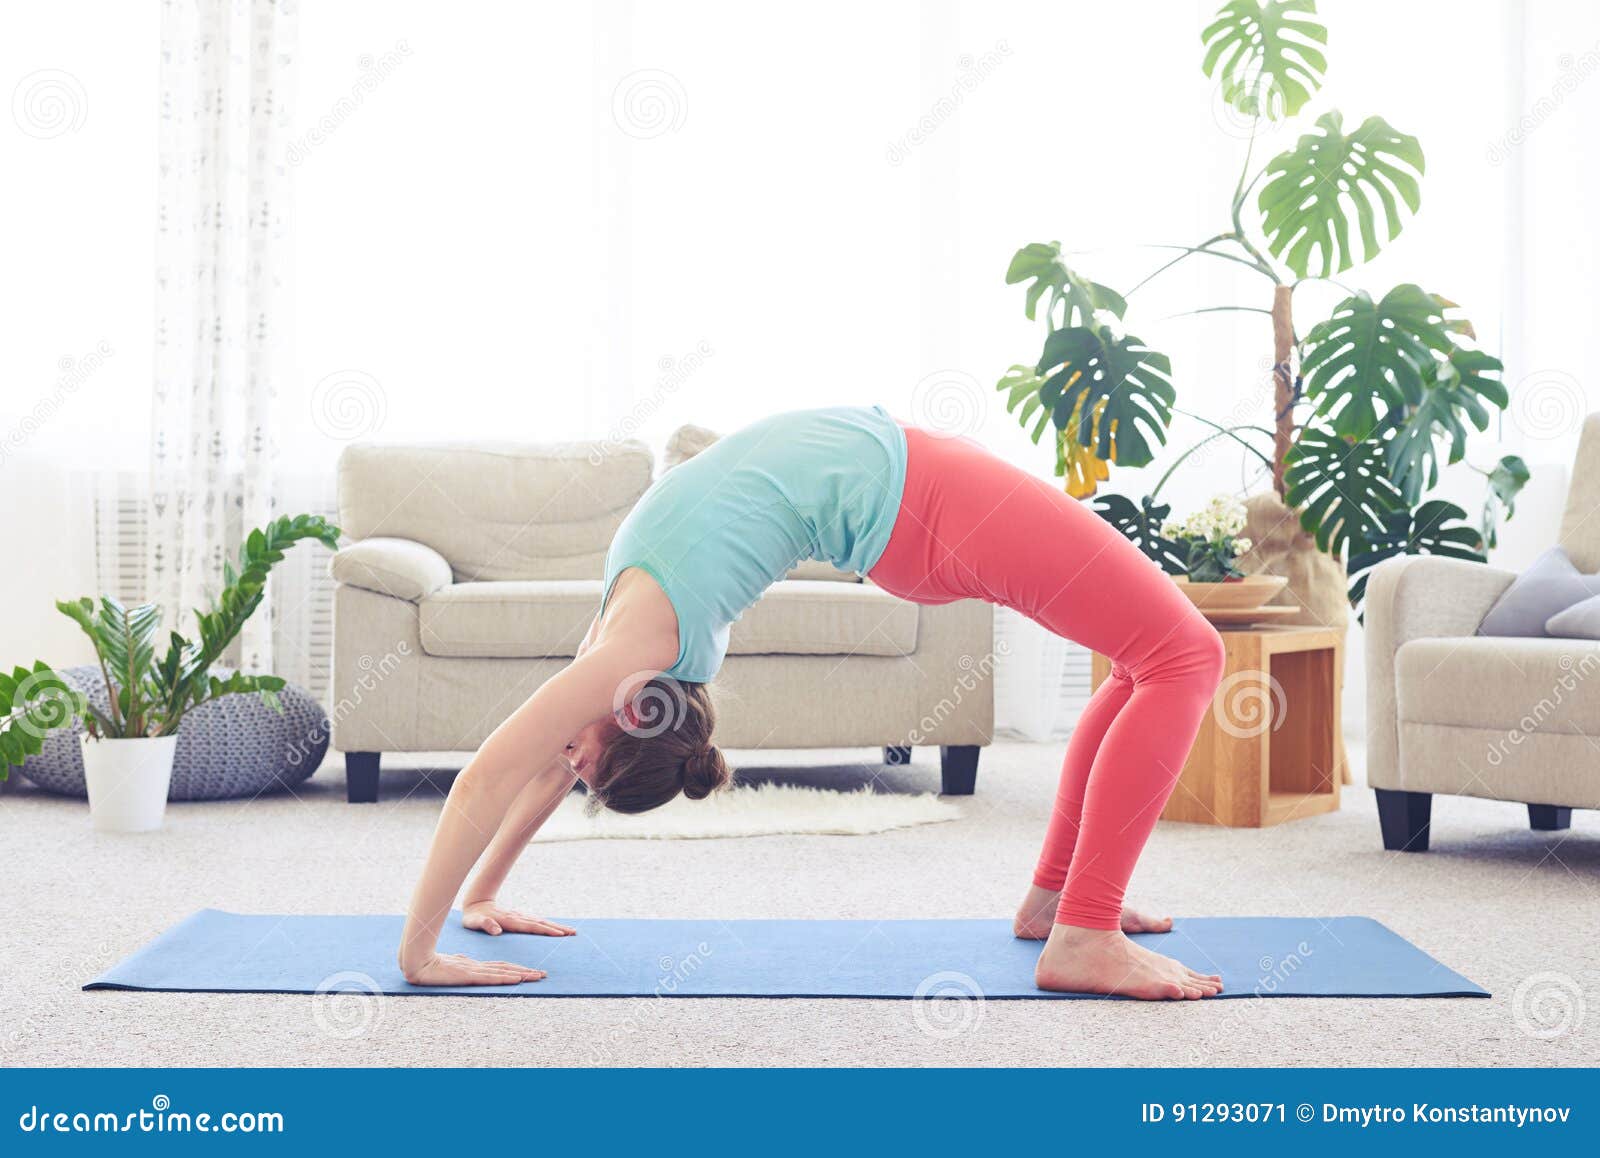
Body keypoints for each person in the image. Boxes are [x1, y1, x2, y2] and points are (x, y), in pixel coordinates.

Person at [396, 405, 1227, 999]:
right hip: (927, 501)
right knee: (1185, 654)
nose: (566, 763)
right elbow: (488, 780)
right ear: (630, 715)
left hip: (917, 500)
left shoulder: (620, 642)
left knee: (1142, 658)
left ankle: (1058, 901)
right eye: (586, 763)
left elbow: (529, 770)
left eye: (579, 764)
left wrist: (481, 897)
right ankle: (1086, 931)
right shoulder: (631, 653)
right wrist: (419, 954)